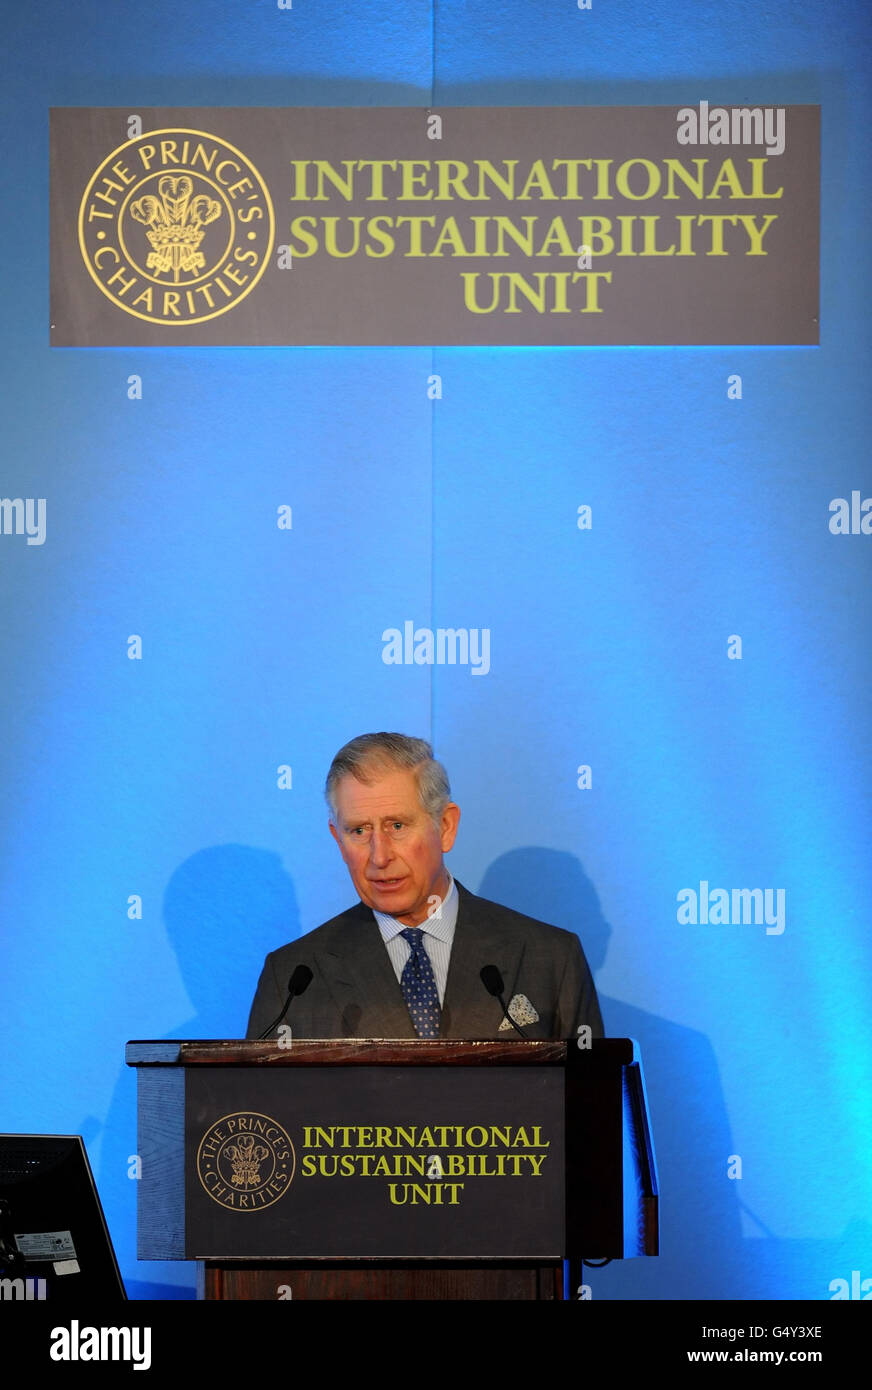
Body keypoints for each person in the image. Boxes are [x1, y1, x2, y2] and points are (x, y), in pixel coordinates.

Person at [246, 733, 603, 1041]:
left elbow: (591, 1111)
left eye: (397, 826)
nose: (379, 856)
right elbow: (261, 1115)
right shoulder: (292, 979)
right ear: (338, 840)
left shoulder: (551, 960)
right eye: (358, 831)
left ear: (445, 826)